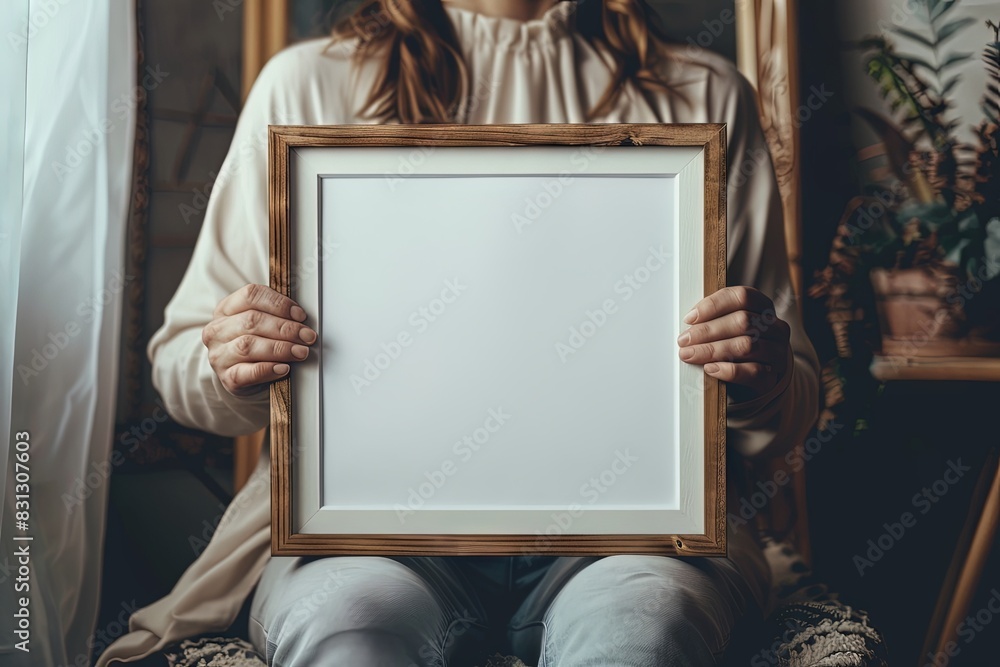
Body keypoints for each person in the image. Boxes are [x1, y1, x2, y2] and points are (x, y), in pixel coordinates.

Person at [97, 0, 820, 665]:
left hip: (638, 537)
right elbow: (184, 358)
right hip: (362, 535)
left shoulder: (707, 93)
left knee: (645, 628)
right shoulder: (306, 84)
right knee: (350, 627)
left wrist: (764, 371)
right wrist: (234, 356)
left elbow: (790, 403)